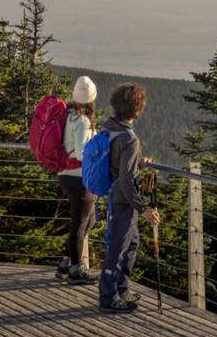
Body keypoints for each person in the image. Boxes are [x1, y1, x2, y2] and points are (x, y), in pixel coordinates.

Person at [97, 82, 160, 313]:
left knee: (131, 244)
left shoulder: (109, 127)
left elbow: (119, 165)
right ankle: (108, 296)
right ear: (137, 108)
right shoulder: (130, 139)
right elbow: (126, 178)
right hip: (123, 201)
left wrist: (137, 163)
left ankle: (121, 288)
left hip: (112, 195)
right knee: (118, 248)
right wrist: (142, 208)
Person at [57, 75, 99, 284]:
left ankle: (67, 262)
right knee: (81, 223)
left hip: (65, 175)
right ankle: (75, 268)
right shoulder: (82, 121)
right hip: (79, 178)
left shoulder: (69, 115)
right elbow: (83, 153)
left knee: (87, 220)